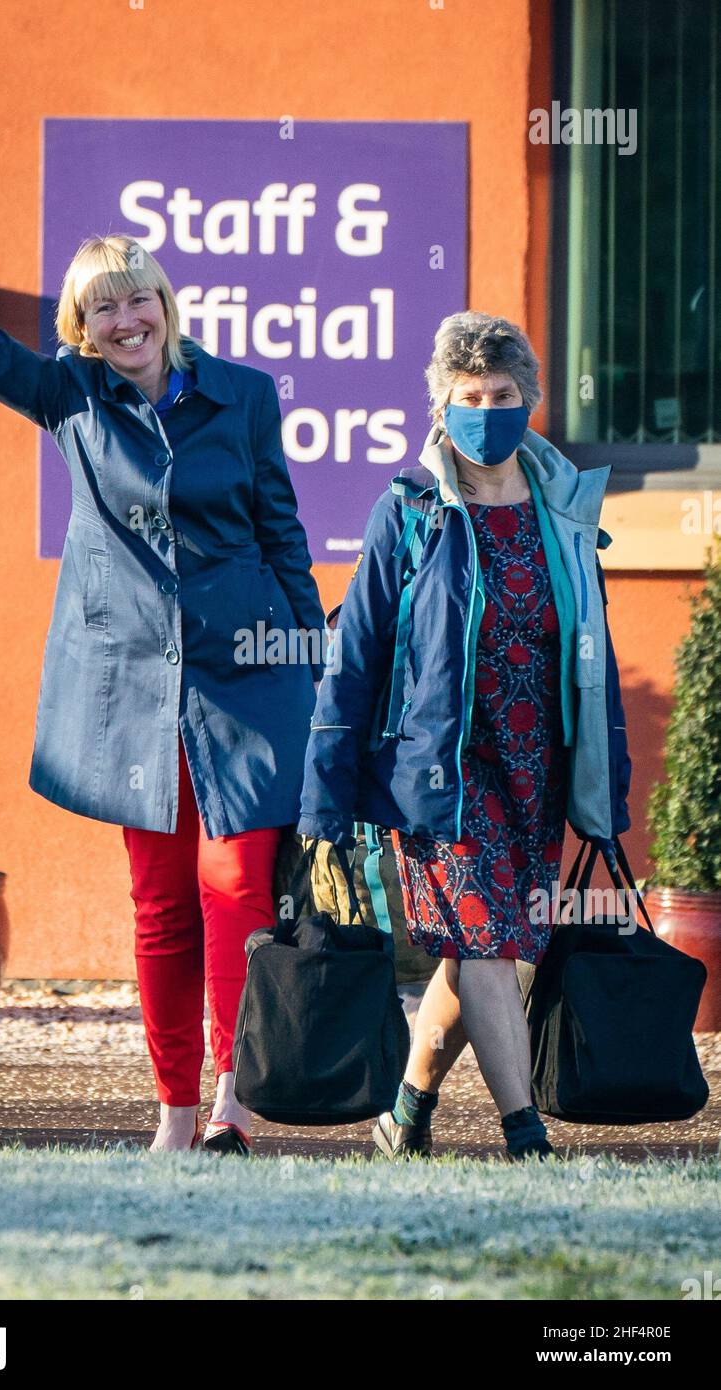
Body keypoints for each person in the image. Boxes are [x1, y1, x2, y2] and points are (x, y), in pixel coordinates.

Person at [0, 147, 326, 1155]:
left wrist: (309, 668)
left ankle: (235, 1097)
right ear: (81, 331)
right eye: (102, 312)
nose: (126, 323)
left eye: (139, 302)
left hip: (247, 679)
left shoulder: (245, 397)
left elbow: (282, 535)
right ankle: (175, 1110)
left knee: (238, 893)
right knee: (162, 902)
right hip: (132, 693)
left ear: (165, 305)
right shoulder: (72, 400)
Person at [297, 311, 631, 1161]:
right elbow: (357, 656)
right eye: (469, 395)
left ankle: (405, 1117)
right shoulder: (409, 512)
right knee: (482, 941)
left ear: (530, 398)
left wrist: (604, 779)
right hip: (440, 776)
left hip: (537, 769)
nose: (487, 409)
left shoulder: (562, 506)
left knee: (479, 949)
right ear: (442, 405)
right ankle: (528, 1138)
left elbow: (593, 650)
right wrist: (325, 794)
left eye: (504, 393)